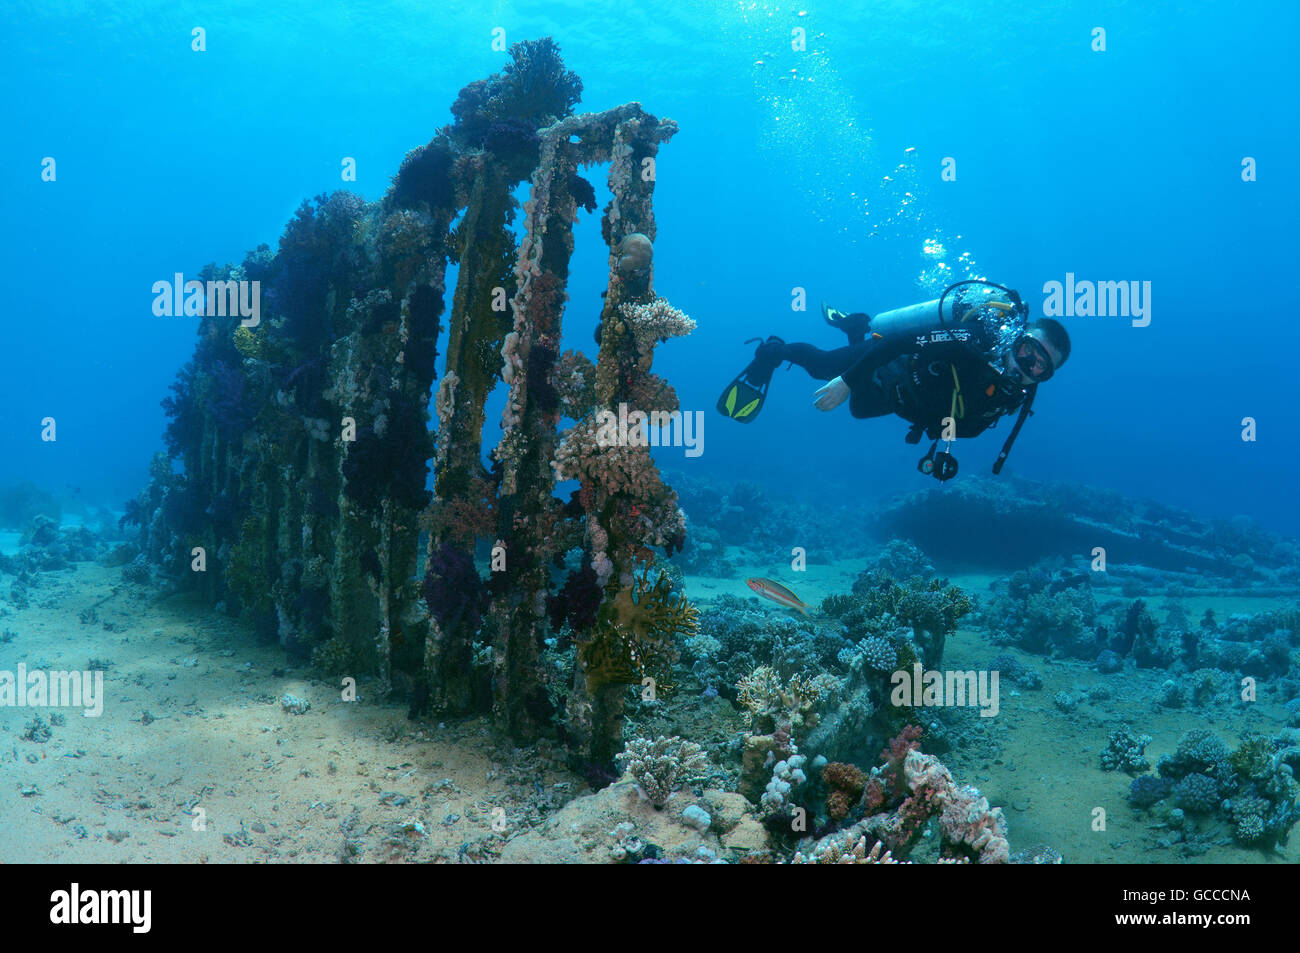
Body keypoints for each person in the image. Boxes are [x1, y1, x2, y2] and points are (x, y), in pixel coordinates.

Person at [716, 286, 1071, 480]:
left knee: (859, 411)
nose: (1028, 366)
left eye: (1042, 368)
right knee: (824, 367)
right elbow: (898, 343)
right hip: (892, 362)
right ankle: (772, 353)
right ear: (1017, 339)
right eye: (1029, 351)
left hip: (906, 399)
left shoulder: (1017, 393)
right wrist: (847, 381)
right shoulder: (974, 338)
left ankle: (856, 326)